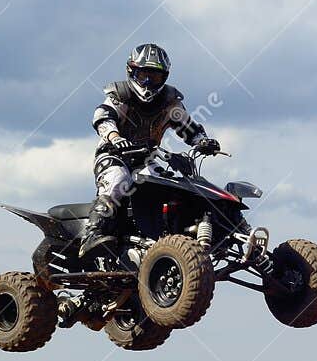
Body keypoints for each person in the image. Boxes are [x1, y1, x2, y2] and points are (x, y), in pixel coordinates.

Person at [82, 43, 221, 256]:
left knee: (170, 185)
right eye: (143, 75)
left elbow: (189, 128)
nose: (148, 81)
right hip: (113, 155)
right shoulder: (121, 94)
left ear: (164, 77)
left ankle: (163, 236)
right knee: (118, 180)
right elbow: (103, 117)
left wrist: (203, 141)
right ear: (132, 72)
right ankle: (92, 234)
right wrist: (115, 137)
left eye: (154, 76)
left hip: (145, 160)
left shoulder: (170, 102)